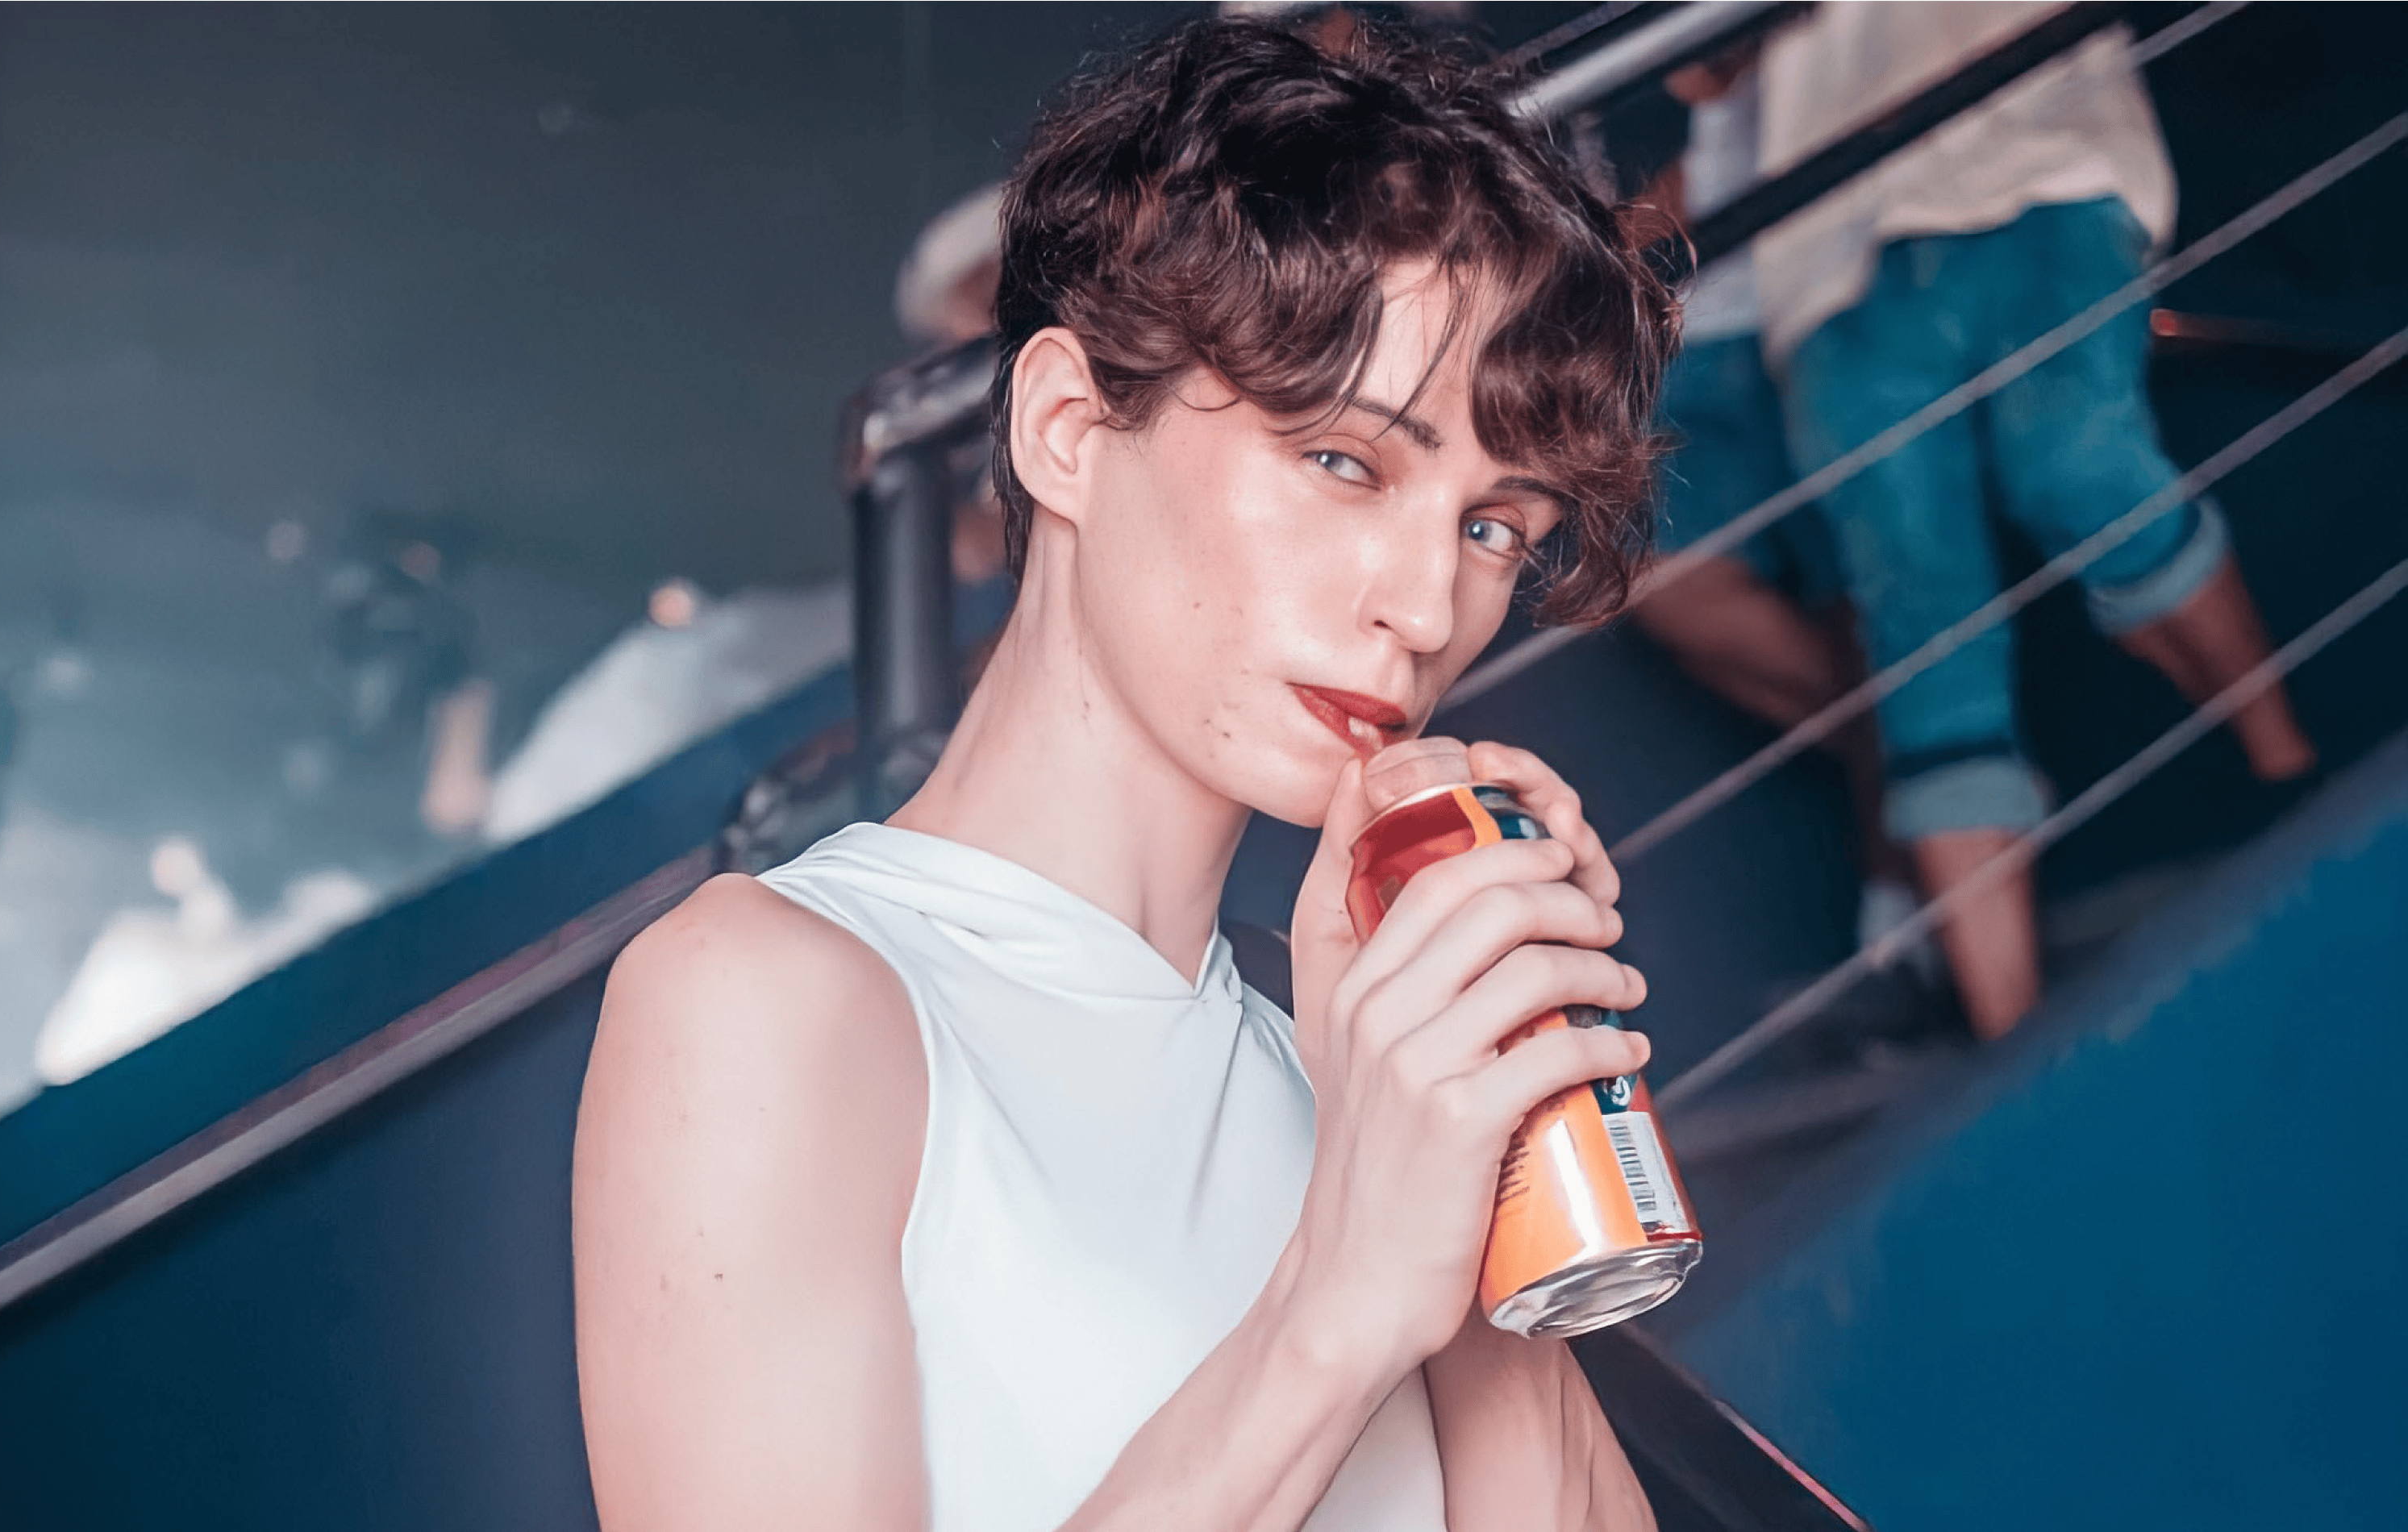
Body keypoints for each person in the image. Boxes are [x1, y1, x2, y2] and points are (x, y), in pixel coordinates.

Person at [574, 15, 1676, 1531]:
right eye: (1347, 463)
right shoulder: (770, 1000)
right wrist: (1336, 1307)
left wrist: (1493, 1139)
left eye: (1495, 527)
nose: (1427, 611)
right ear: (1069, 427)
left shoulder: (1347, 1089)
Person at [1752, 2, 2316, 1040]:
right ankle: (2012, 1043)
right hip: (1831, 241)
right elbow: (1702, 81)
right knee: (1923, 621)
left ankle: (2298, 789)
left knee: (2079, 463)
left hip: (2035, 141)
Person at [1627, 42, 1928, 974]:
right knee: (1650, 586)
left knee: (1866, 610)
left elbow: (1707, 75)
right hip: (1671, 345)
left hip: (1804, 304)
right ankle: (1939, 762)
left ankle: (1901, 919)